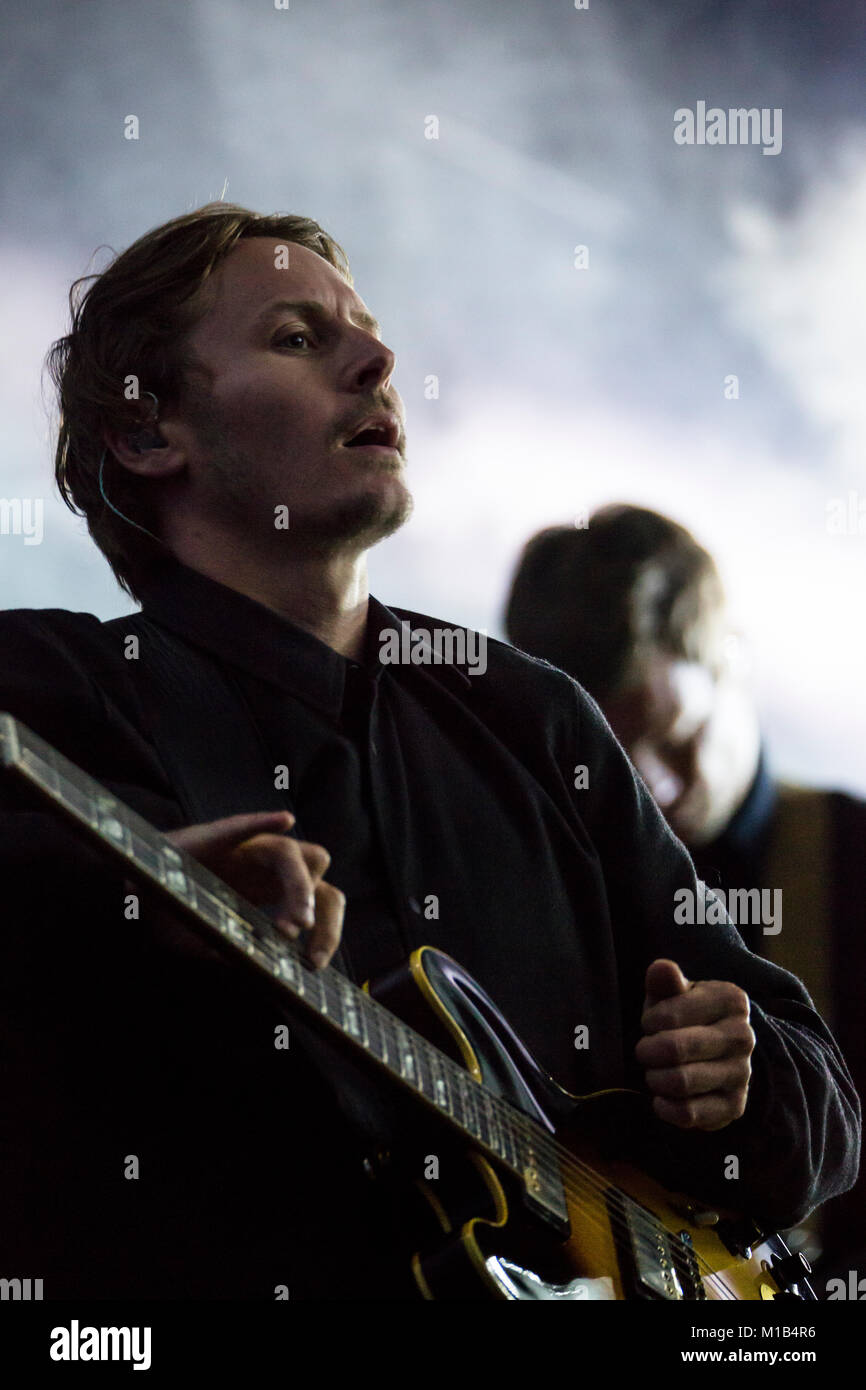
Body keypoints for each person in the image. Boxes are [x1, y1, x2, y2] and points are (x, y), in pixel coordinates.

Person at [0, 208, 858, 1301]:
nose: (377, 357)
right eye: (299, 339)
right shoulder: (52, 688)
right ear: (145, 432)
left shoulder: (531, 717)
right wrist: (131, 899)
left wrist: (742, 1085)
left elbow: (822, 1102)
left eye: (363, 326)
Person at [505, 504, 866, 1292]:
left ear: (734, 656)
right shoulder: (537, 900)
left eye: (677, 734)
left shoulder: (852, 861)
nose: (658, 789)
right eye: (615, 764)